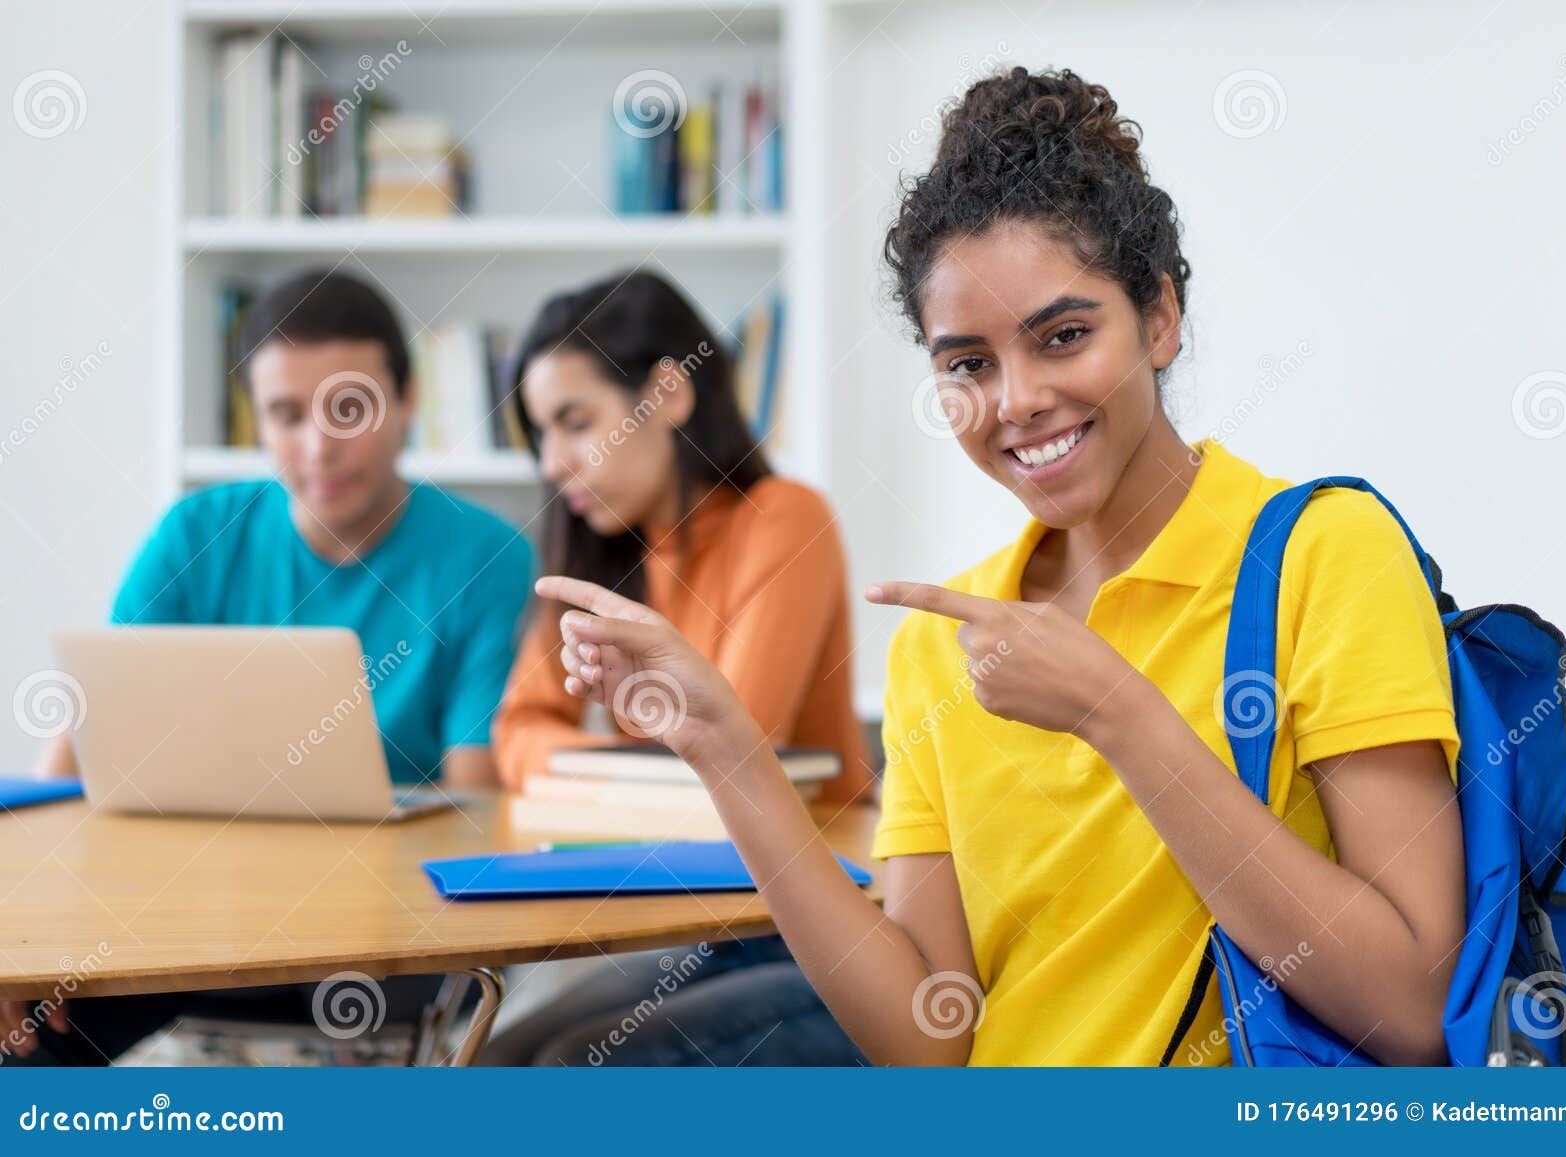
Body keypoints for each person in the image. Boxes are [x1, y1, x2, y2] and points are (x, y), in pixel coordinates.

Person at [529, 68, 1466, 1066]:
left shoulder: (1327, 553)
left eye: (1063, 336)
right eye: (967, 363)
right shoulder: (948, 639)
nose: (1016, 400)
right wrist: (729, 753)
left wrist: (1119, 713)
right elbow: (932, 1041)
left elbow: (1412, 1007)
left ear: (1158, 317)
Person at [7, 268, 534, 1066]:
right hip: (183, 924)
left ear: (407, 401)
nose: (319, 445)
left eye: (349, 409)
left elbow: (477, 798)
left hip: (387, 942)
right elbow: (76, 761)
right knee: (26, 1040)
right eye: (287, 414)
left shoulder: (488, 556)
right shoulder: (194, 535)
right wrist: (23, 938)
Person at [479, 269, 872, 1066]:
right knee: (494, 1055)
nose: (553, 461)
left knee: (568, 1065)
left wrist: (586, 774)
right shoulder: (605, 554)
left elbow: (731, 747)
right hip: (695, 915)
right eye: (540, 434)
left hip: (811, 920)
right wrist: (622, 768)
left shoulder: (784, 519)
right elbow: (517, 729)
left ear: (667, 395)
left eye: (575, 421)